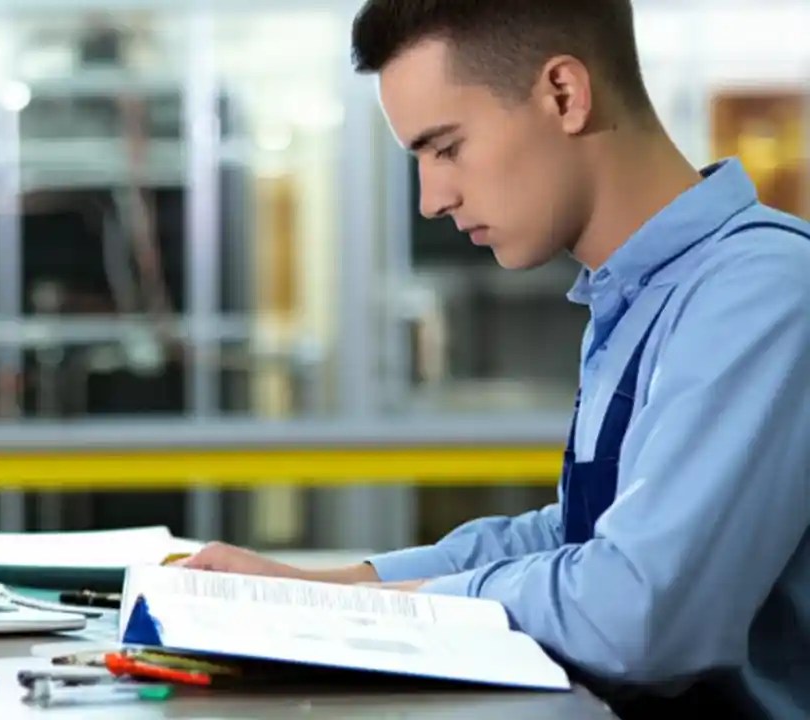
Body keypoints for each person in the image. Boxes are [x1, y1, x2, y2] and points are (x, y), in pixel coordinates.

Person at [175, 1, 810, 717]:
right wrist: (322, 587)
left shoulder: (762, 289)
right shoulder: (636, 299)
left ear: (564, 95)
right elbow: (577, 536)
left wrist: (385, 611)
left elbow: (641, 612)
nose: (432, 200)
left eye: (445, 148)